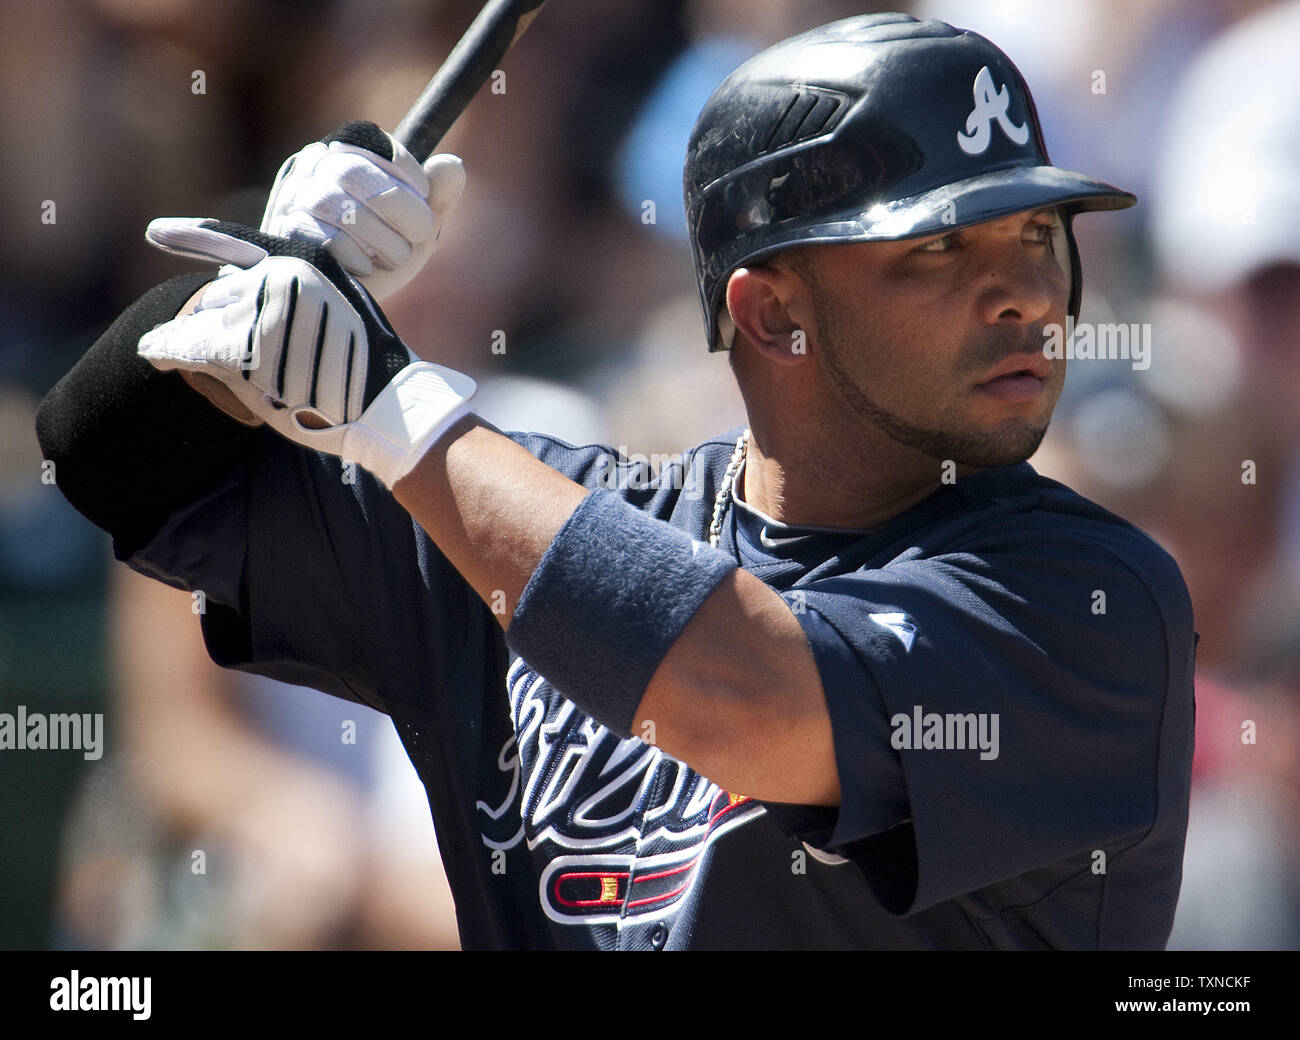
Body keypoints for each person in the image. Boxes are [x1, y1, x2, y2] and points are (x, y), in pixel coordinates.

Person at [35, 13, 1195, 950]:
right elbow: (106, 457)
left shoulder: (1090, 594)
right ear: (771, 308)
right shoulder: (526, 511)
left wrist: (392, 412)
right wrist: (267, 287)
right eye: (941, 247)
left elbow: (743, 694)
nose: (1028, 295)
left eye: (1038, 234)